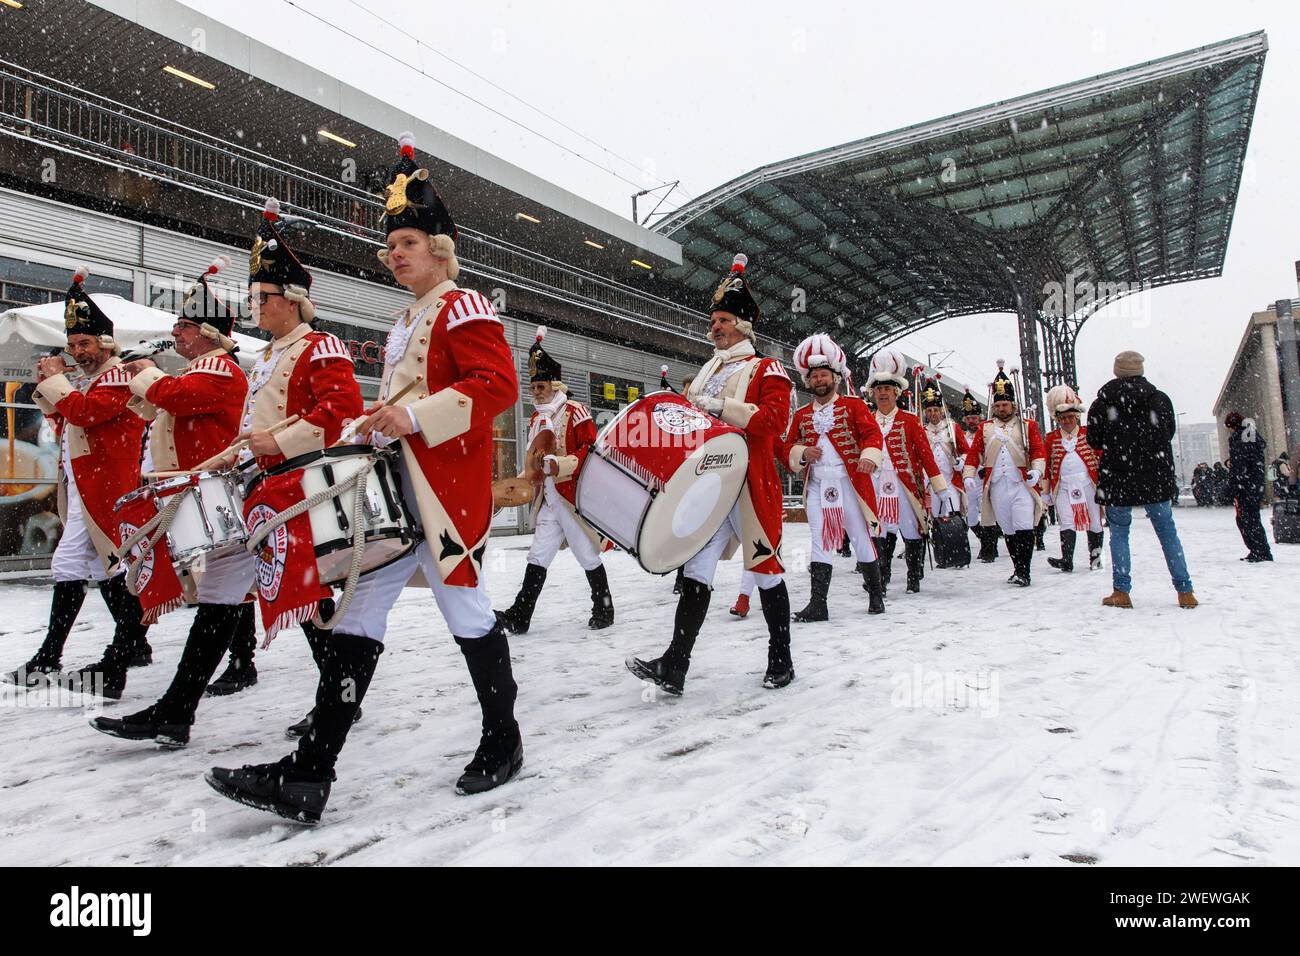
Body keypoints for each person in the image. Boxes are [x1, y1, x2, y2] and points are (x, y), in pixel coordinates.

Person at [207, 134, 523, 823]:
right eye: (392, 245)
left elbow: (498, 385)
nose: (395, 254)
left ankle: (504, 739)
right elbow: (416, 395)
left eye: (407, 241)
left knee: (467, 614)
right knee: (352, 617)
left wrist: (412, 418)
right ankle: (310, 773)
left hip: (440, 492)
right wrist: (384, 417)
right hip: (393, 490)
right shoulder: (407, 316)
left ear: (440, 247)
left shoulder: (462, 304)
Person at [91, 256, 255, 746]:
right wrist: (141, 379)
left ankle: (336, 689)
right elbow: (158, 405)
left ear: (208, 332)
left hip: (223, 496)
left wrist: (140, 372)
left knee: (299, 598)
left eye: (184, 326)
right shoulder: (197, 371)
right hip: (207, 498)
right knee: (230, 598)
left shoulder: (221, 369)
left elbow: (172, 396)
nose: (177, 334)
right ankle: (176, 710)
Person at [627, 252, 794, 694]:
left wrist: (723, 408)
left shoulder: (767, 368)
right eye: (713, 320)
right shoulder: (705, 370)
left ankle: (782, 659)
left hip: (748, 486)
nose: (714, 327)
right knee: (696, 572)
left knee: (765, 570)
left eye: (722, 320)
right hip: (708, 485)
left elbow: (776, 422)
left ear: (743, 325)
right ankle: (675, 665)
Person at [4, 267, 150, 698]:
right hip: (83, 490)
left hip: (106, 489)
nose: (77, 351)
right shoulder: (87, 381)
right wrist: (54, 388)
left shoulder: (119, 375)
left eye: (84, 343)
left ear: (105, 343)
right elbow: (65, 418)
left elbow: (85, 414)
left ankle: (51, 657)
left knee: (75, 567)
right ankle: (131, 646)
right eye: (72, 345)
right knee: (105, 571)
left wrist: (55, 381)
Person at [495, 325, 614, 633]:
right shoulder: (536, 418)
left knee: (586, 555)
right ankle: (521, 615)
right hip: (547, 500)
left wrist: (558, 464)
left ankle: (604, 608)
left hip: (571, 497)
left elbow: (589, 454)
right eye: (533, 387)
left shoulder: (577, 411)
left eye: (541, 386)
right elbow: (534, 460)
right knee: (537, 556)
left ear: (554, 384)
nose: (536, 392)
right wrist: (516, 484)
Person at [781, 333, 886, 621]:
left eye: (824, 375)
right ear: (808, 380)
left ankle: (876, 595)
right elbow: (786, 447)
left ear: (835, 378)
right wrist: (802, 453)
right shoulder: (801, 414)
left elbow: (872, 434)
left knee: (861, 539)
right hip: (816, 485)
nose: (819, 380)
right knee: (820, 540)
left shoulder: (854, 406)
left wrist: (868, 457)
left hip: (848, 483)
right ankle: (819, 604)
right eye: (814, 376)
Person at [1086, 350, 1197, 609]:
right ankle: (1185, 591)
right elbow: (1166, 433)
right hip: (1154, 475)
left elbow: (1093, 439)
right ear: (1141, 371)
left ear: (1117, 371)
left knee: (1120, 533)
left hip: (1117, 476)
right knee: (1167, 532)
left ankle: (1121, 591)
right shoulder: (1159, 399)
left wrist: (1117, 445)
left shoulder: (1102, 402)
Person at [864, 349, 949, 595]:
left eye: (887, 390)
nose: (882, 393)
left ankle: (913, 577)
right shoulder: (867, 420)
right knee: (880, 531)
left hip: (905, 485)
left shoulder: (910, 421)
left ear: (896, 393)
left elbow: (926, 457)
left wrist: (941, 489)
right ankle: (882, 576)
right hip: (877, 484)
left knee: (912, 531)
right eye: (878, 390)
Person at [963, 361, 1046, 586]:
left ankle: (1024, 571)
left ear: (1013, 404)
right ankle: (1017, 567)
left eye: (1005, 405)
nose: (1002, 409)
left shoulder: (1028, 426)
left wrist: (1037, 472)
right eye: (998, 405)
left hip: (1021, 485)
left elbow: (1038, 451)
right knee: (1008, 528)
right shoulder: (985, 428)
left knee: (1023, 525)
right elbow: (973, 454)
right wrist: (969, 475)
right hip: (997, 486)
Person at [1042, 384, 1104, 572]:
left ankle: (1095, 557)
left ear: (1077, 417)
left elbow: (1100, 458)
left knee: (1094, 520)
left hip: (1088, 484)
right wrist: (1045, 491)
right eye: (1063, 418)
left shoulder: (1088, 434)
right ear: (1057, 419)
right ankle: (1067, 559)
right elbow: (1046, 465)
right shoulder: (1051, 438)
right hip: (1062, 485)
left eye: (1071, 417)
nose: (1067, 421)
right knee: (1066, 521)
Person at [1224, 411, 1272, 562]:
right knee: (1250, 519)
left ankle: (1260, 552)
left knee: (1247, 520)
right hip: (1253, 485)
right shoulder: (1251, 437)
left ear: (1233, 426)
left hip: (1246, 487)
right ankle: (1259, 550)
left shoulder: (1240, 439)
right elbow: (1247, 462)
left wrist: (1231, 488)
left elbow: (1240, 467)